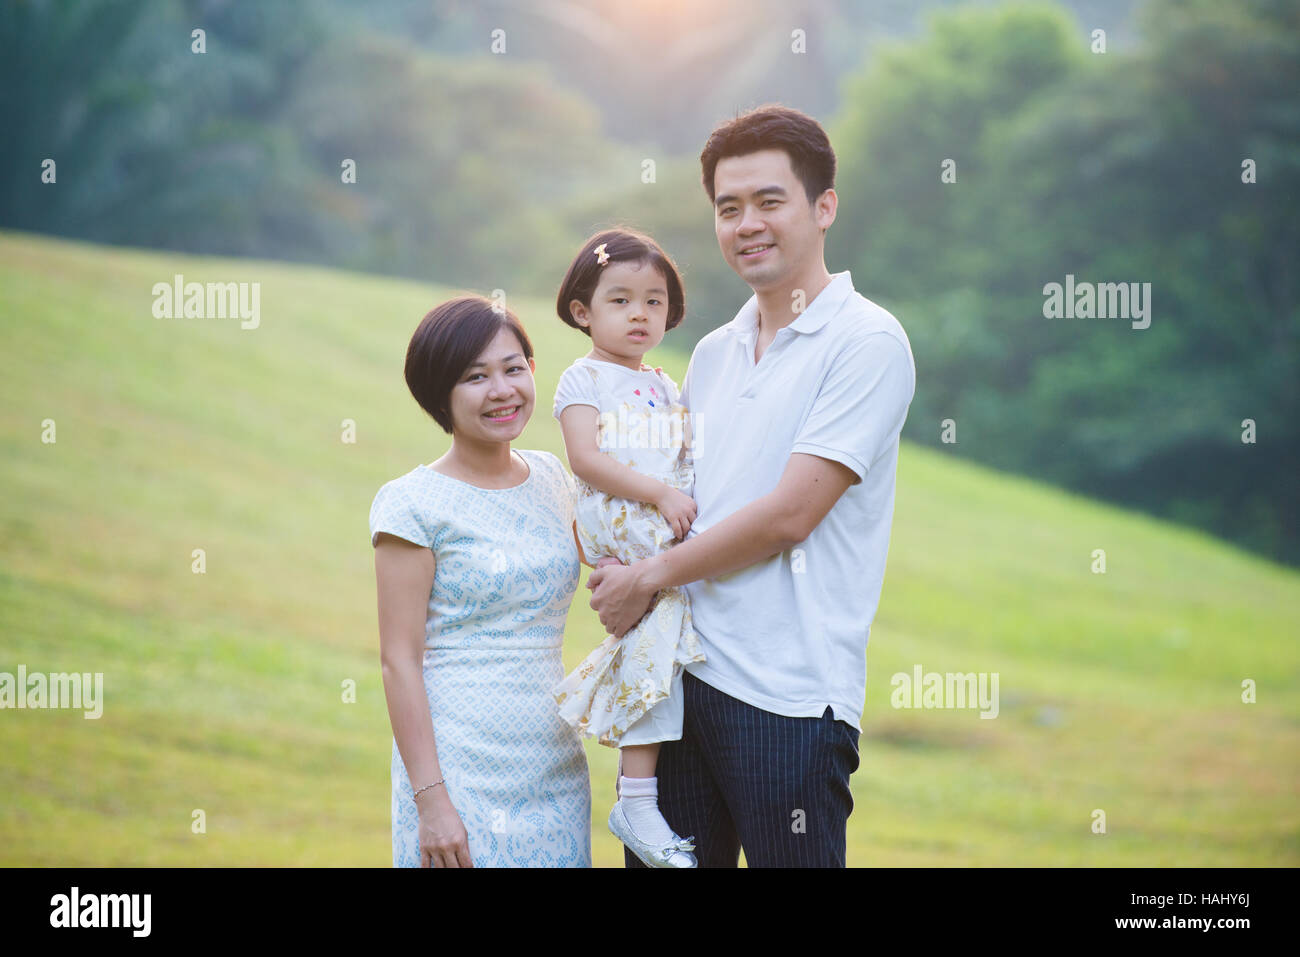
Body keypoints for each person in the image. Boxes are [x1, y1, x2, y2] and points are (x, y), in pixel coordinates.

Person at [586, 104, 917, 867]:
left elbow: (791, 515)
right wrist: (612, 546)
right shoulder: (710, 353)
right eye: (728, 208)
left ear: (823, 206)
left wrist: (648, 576)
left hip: (790, 697)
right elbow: (676, 501)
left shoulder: (866, 341)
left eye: (770, 201)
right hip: (676, 681)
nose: (747, 224)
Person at [369, 295, 592, 867]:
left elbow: (616, 553)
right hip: (457, 772)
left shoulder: (552, 476)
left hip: (554, 766)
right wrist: (432, 802)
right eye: (475, 377)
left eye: (514, 368)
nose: (502, 391)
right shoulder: (412, 504)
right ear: (438, 391)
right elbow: (399, 661)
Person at [550, 228, 705, 868]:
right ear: (584, 312)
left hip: (666, 536)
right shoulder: (584, 378)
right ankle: (635, 800)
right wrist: (662, 498)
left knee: (660, 658)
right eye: (620, 300)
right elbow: (585, 459)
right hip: (630, 529)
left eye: (654, 301)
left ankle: (640, 795)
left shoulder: (668, 385)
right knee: (653, 648)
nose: (640, 314)